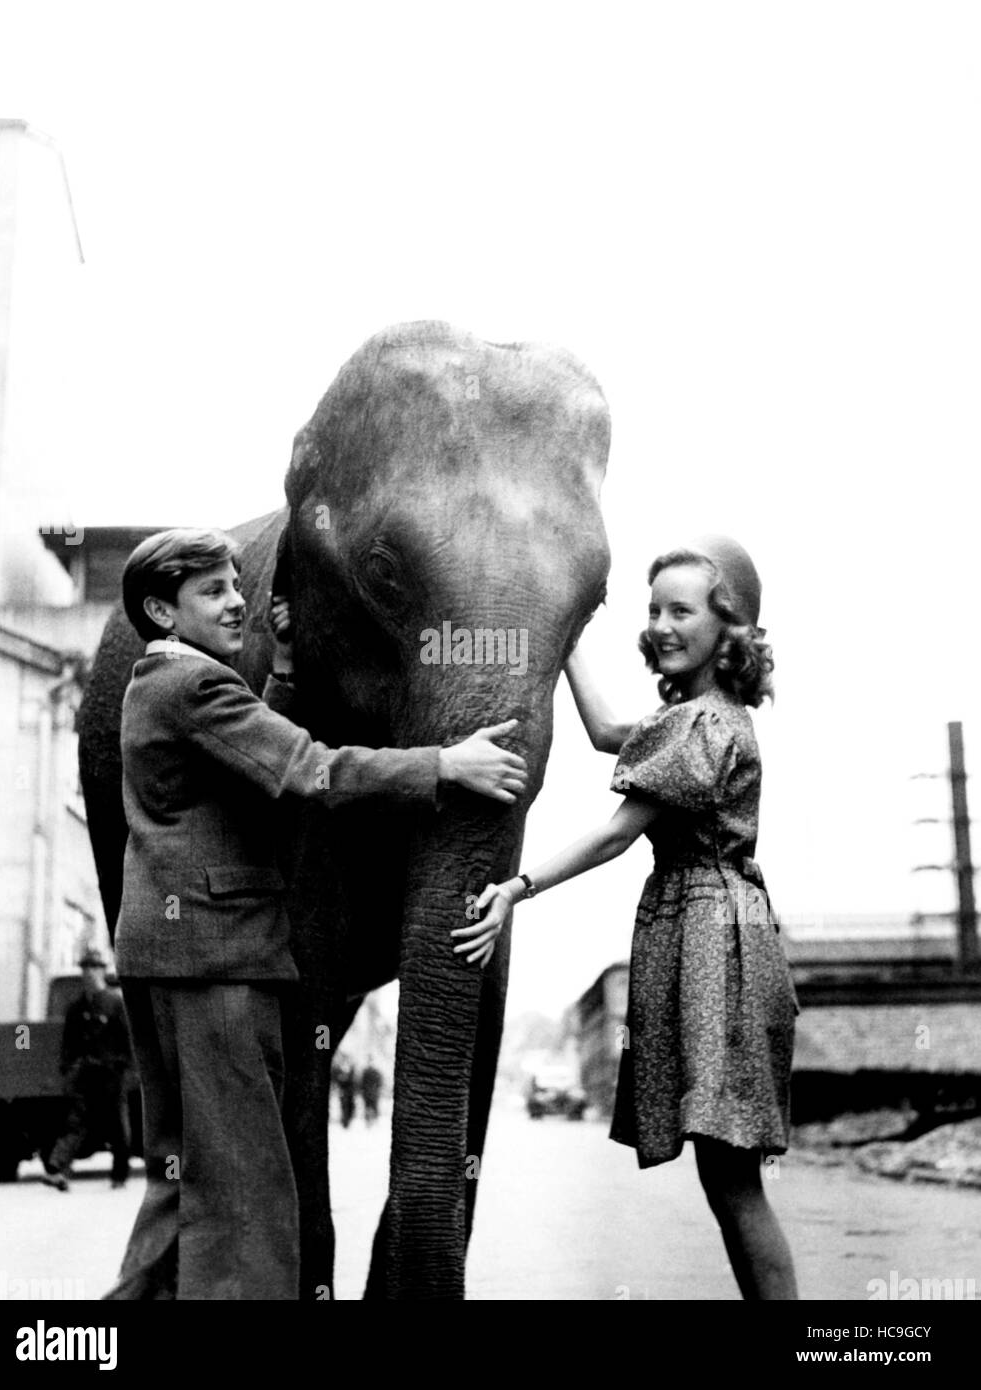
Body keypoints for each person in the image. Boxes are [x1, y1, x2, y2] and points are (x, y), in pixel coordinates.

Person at [103, 527, 527, 1301]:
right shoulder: (197, 690)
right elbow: (310, 769)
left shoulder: (158, 684)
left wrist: (288, 669)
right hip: (219, 960)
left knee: (183, 1176)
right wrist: (445, 765)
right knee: (246, 1193)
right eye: (213, 592)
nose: (239, 604)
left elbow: (244, 753)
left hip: (165, 954)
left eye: (237, 584)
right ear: (163, 612)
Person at [456, 536, 799, 1301]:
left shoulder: (705, 726)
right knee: (727, 1175)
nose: (662, 624)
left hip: (713, 935)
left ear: (728, 627)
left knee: (732, 1176)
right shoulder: (692, 718)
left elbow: (618, 830)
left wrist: (518, 885)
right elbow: (611, 732)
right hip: (703, 927)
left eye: (682, 610)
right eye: (654, 610)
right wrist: (571, 637)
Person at [41, 947, 133, 1192]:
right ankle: (56, 1168)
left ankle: (119, 1175)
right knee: (76, 1122)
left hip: (111, 1074)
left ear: (103, 971)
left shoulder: (115, 1004)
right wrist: (67, 1068)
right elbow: (69, 1043)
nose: (89, 973)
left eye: (94, 968)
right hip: (86, 1074)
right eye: (85, 968)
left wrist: (126, 1067)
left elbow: (128, 1039)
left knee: (117, 1126)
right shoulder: (76, 1008)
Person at [359, 1056, 384, 1125]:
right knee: (367, 1107)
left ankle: (375, 1120)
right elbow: (361, 1083)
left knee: (374, 1107)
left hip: (373, 1093)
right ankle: (368, 1121)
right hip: (367, 1093)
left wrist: (377, 1090)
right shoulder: (365, 1072)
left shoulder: (376, 1072)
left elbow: (380, 1082)